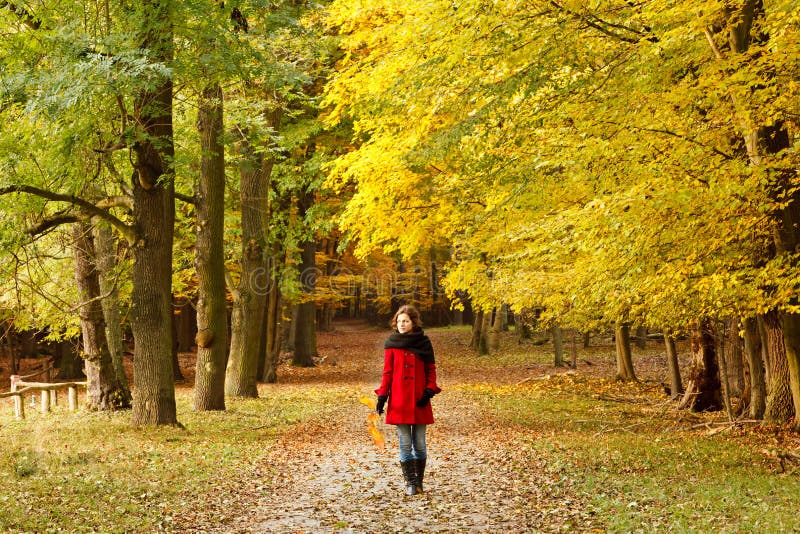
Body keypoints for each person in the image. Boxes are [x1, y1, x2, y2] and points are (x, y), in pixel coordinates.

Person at [375, 304, 441, 496]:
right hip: (399, 401)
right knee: (405, 443)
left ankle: (419, 482)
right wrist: (382, 396)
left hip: (420, 399)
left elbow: (431, 369)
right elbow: (387, 372)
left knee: (419, 443)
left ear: (413, 322)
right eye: (399, 321)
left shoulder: (424, 342)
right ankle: (411, 483)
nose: (402, 324)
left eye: (405, 321)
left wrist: (429, 390)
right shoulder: (391, 343)